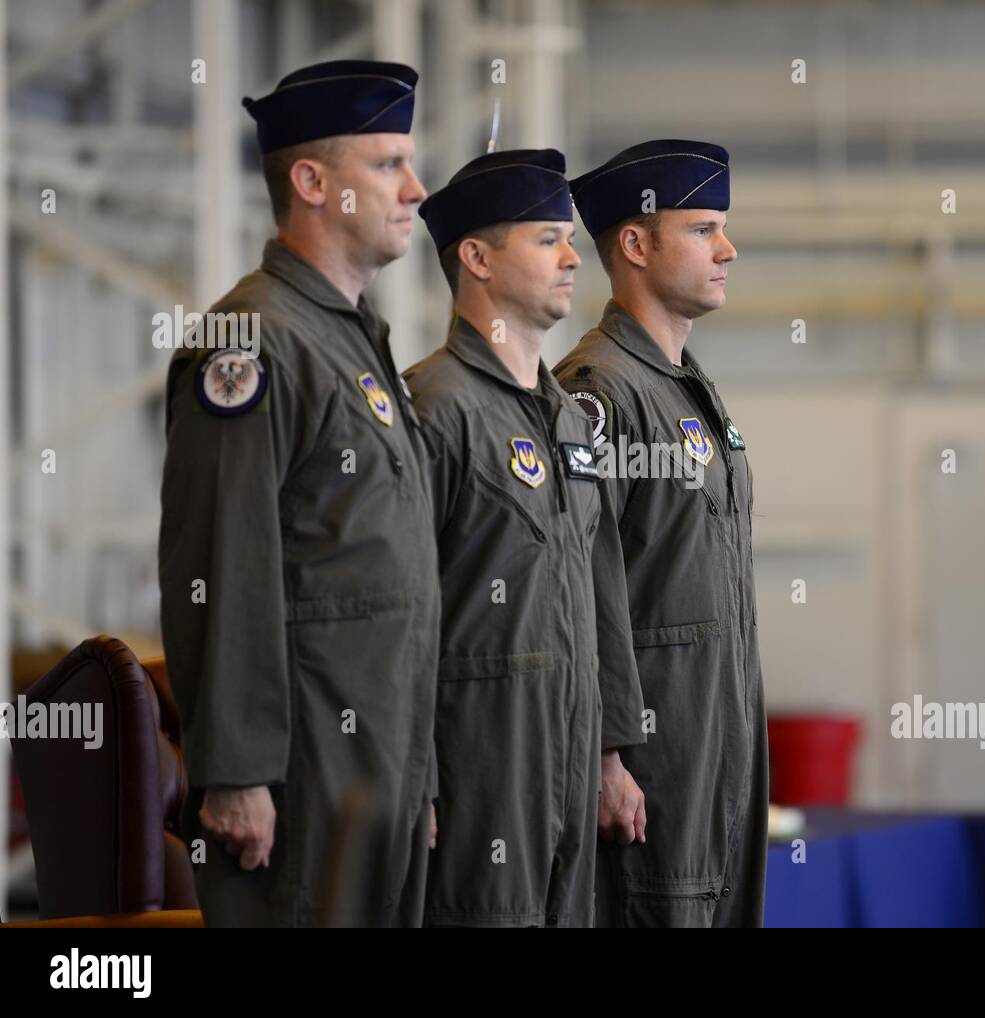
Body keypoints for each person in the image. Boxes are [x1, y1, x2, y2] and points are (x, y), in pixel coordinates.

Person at [158, 60, 438, 927]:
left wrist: (420, 771)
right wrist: (236, 771)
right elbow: (221, 560)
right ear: (313, 183)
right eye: (388, 164)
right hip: (304, 773)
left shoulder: (351, 342)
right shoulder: (254, 342)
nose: (416, 188)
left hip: (379, 763)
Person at [403, 148, 646, 927]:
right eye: (547, 240)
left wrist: (610, 753)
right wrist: (413, 777)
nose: (573, 258)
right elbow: (397, 613)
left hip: (568, 757)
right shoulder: (434, 409)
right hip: (479, 759)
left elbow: (600, 589)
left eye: (569, 240)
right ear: (477, 258)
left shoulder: (569, 419)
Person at [553, 139, 768, 927]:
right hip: (656, 763)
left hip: (719, 747)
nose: (727, 249)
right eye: (704, 229)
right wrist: (606, 755)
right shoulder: (600, 393)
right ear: (636, 245)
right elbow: (579, 587)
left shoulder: (685, 388)